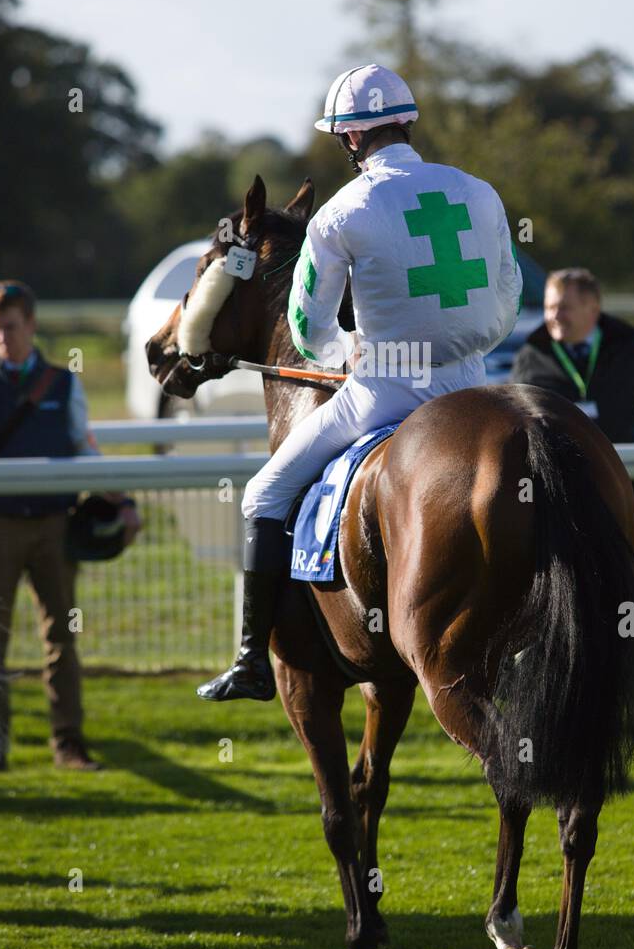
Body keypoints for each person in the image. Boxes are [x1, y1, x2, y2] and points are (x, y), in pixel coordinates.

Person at [198, 62, 523, 703]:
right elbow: (507, 300)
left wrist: (348, 351)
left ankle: (252, 663)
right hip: (475, 386)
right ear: (406, 123)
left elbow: (308, 327)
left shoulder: (341, 213)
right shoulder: (479, 192)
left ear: (349, 140)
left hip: (382, 392)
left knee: (262, 496)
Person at [0, 280, 141, 771]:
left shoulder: (63, 382)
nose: (3, 339)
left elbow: (84, 447)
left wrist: (125, 501)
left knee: (61, 638)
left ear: (31, 324)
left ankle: (68, 743)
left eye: (10, 327)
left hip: (54, 522)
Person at [510, 268, 634, 737]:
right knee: (560, 603)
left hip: (622, 501)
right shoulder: (533, 354)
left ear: (592, 309)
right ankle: (562, 716)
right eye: (548, 306)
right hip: (561, 506)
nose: (553, 316)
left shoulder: (625, 347)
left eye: (563, 306)